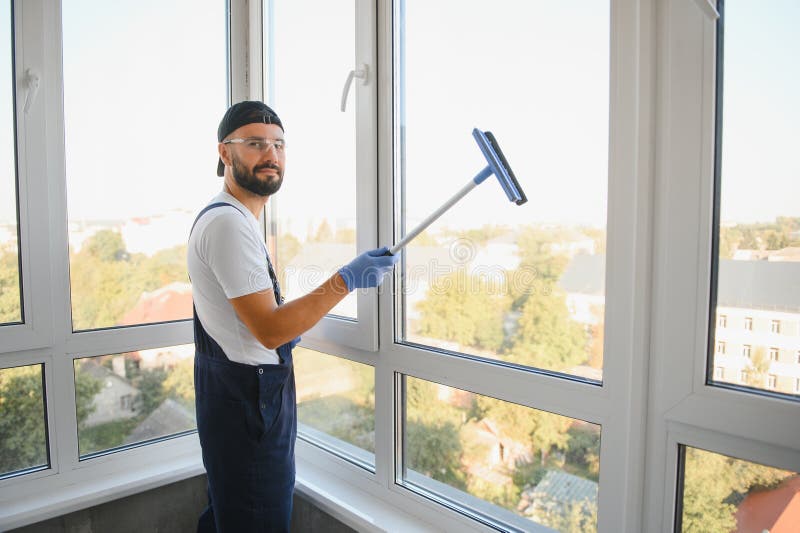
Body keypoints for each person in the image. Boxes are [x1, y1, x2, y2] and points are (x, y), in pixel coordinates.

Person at [187, 101, 398, 533]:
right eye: (255, 144)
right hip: (248, 403)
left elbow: (249, 322)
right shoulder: (228, 225)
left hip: (235, 395)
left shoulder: (233, 218)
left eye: (279, 145)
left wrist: (286, 331)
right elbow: (269, 329)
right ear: (225, 152)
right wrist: (346, 279)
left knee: (231, 514)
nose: (271, 155)